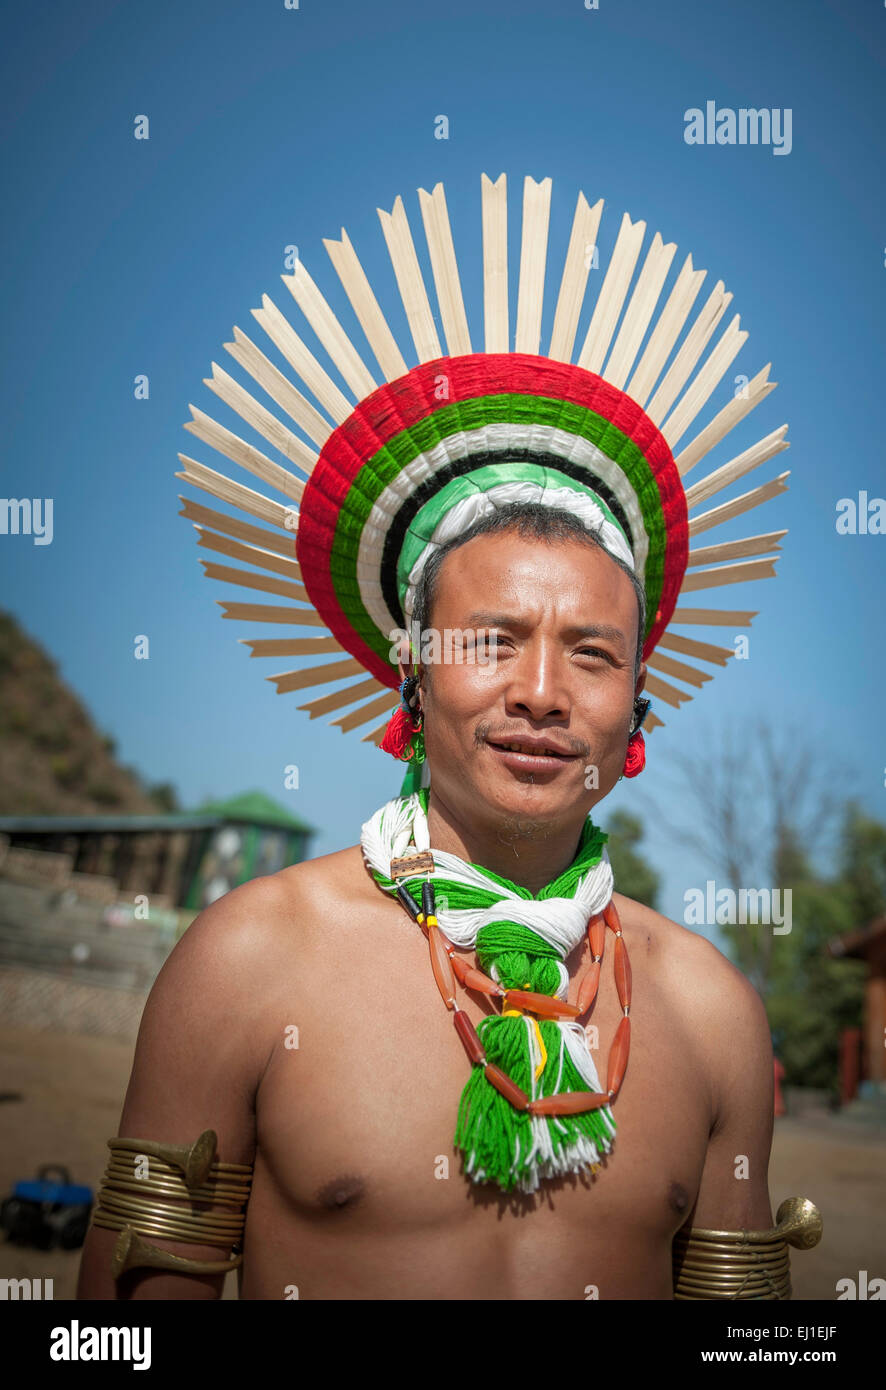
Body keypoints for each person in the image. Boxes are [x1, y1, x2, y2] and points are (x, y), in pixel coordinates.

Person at [77, 173, 818, 1299]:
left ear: (636, 709)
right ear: (411, 676)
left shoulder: (710, 1010)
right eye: (490, 640)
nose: (538, 691)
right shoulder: (247, 960)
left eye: (590, 651)